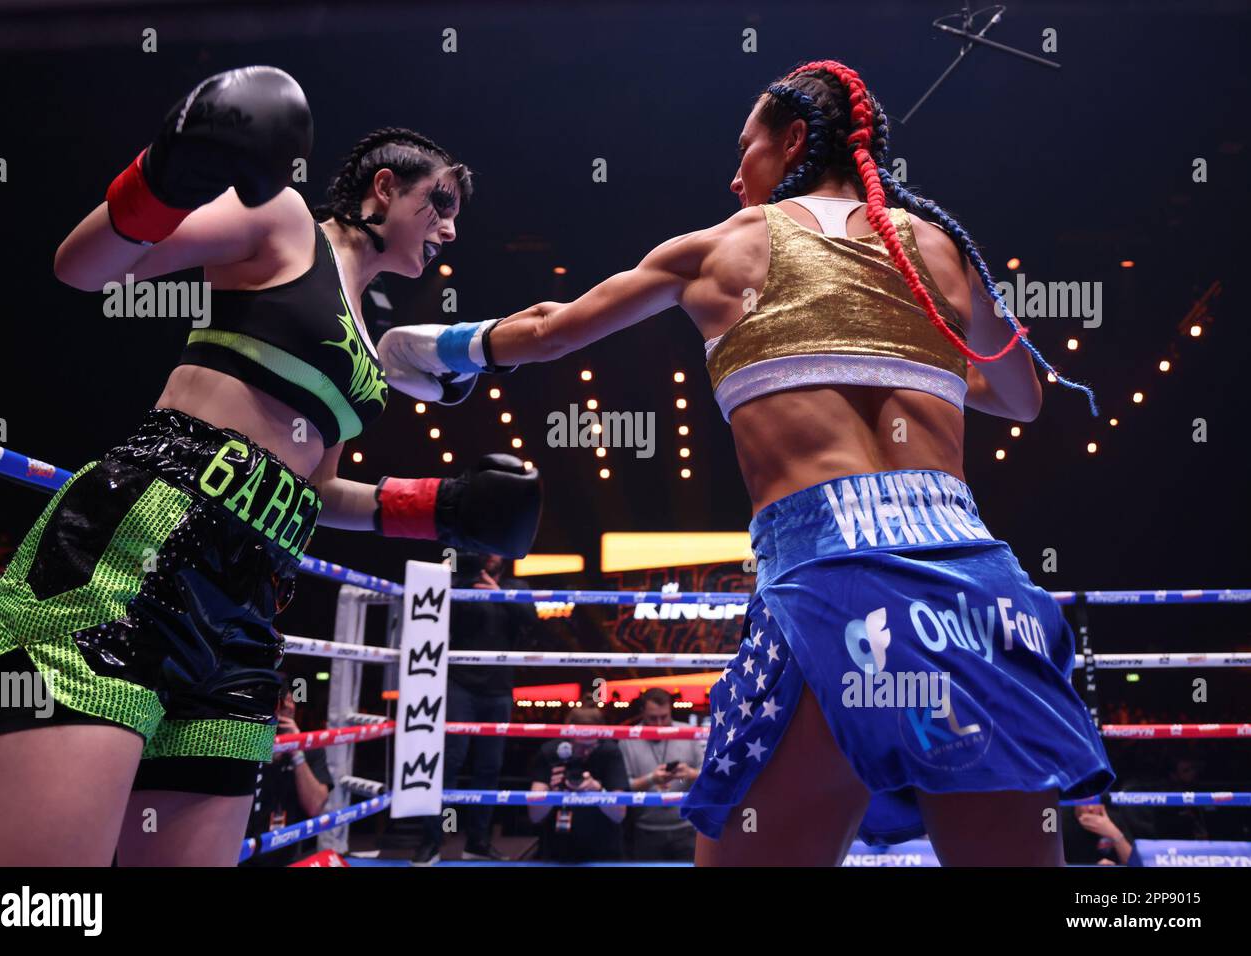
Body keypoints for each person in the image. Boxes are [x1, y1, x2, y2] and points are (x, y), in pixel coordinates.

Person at [382, 59, 1114, 865]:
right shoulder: (939, 250)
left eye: (746, 150)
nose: (736, 178)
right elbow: (1021, 398)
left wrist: (440, 347)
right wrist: (906, 355)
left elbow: (554, 329)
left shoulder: (724, 250)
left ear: (795, 139)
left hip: (834, 582)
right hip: (977, 592)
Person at [0, 65, 540, 866]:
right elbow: (85, 266)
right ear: (383, 187)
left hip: (247, 599)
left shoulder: (368, 343)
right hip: (142, 542)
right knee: (44, 899)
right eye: (438, 204)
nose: (449, 230)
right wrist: (168, 173)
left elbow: (314, 488)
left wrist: (438, 508)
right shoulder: (287, 225)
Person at [412, 551, 536, 865]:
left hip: (498, 688)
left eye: (498, 550)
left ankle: (478, 840)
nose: (493, 556)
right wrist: (456, 580)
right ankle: (432, 840)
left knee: (490, 766)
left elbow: (532, 623)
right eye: (488, 550)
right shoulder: (458, 584)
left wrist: (502, 595)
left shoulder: (515, 586)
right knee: (450, 760)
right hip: (459, 684)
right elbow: (435, 615)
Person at [243, 675, 335, 867]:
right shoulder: (242, 743)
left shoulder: (310, 748)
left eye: (292, 701)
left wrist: (295, 751)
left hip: (286, 859)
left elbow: (316, 806)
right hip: (238, 854)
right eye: (284, 702)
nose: (290, 707)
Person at [528, 707, 628, 862]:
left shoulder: (609, 752)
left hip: (603, 849)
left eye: (590, 746)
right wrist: (553, 794)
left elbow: (619, 814)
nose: (585, 752)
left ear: (599, 738)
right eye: (579, 746)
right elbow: (535, 815)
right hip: (557, 849)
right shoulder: (551, 752)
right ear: (568, 738)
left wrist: (598, 791)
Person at [619, 689, 703, 861]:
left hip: (686, 828)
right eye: (652, 718)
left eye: (664, 717)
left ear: (671, 710)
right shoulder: (628, 738)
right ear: (642, 712)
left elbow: (710, 776)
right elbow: (621, 786)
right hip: (645, 829)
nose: (659, 724)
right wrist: (651, 779)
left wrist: (690, 773)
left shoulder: (689, 733)